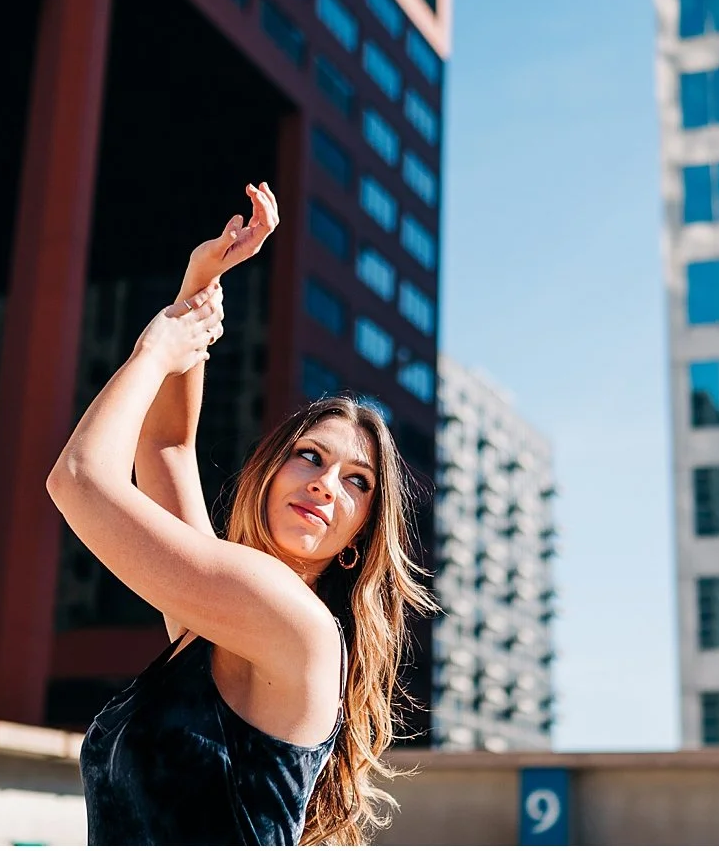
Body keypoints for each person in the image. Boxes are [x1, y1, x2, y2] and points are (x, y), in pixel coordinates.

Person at [48, 182, 436, 845]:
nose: (325, 485)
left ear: (356, 542)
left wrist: (156, 350)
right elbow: (166, 445)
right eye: (310, 457)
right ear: (268, 472)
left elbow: (81, 479)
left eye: (357, 483)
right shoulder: (215, 620)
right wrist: (201, 282)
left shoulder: (290, 619)